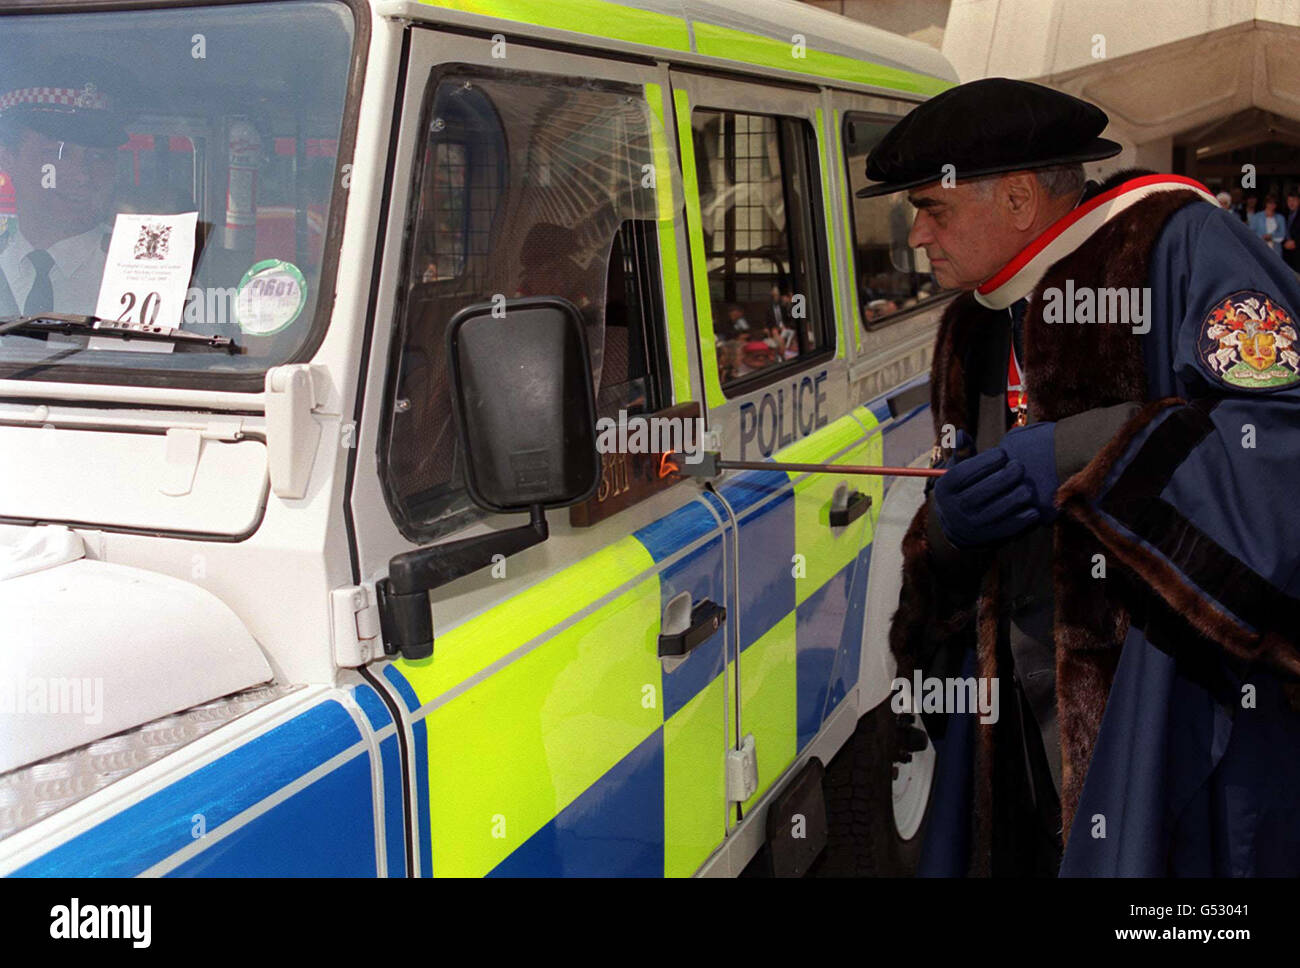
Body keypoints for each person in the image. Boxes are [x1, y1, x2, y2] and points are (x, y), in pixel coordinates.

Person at [859, 77, 1300, 877]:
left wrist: (1085, 452)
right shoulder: (971, 320)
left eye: (934, 208)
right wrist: (946, 539)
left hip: (1178, 722)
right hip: (1019, 740)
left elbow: (1280, 435)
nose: (918, 235)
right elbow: (965, 526)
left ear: (1022, 197)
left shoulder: (1181, 247)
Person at [0, 74, 127, 318]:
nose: (82, 176)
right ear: (7, 158)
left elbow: (205, 356)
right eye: (58, 154)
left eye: (98, 157)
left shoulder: (152, 275)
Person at [1283, 190, 1300, 272]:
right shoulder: (1284, 213)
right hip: (1286, 253)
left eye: (1294, 200)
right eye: (1289, 200)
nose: (1291, 203)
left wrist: (1296, 243)